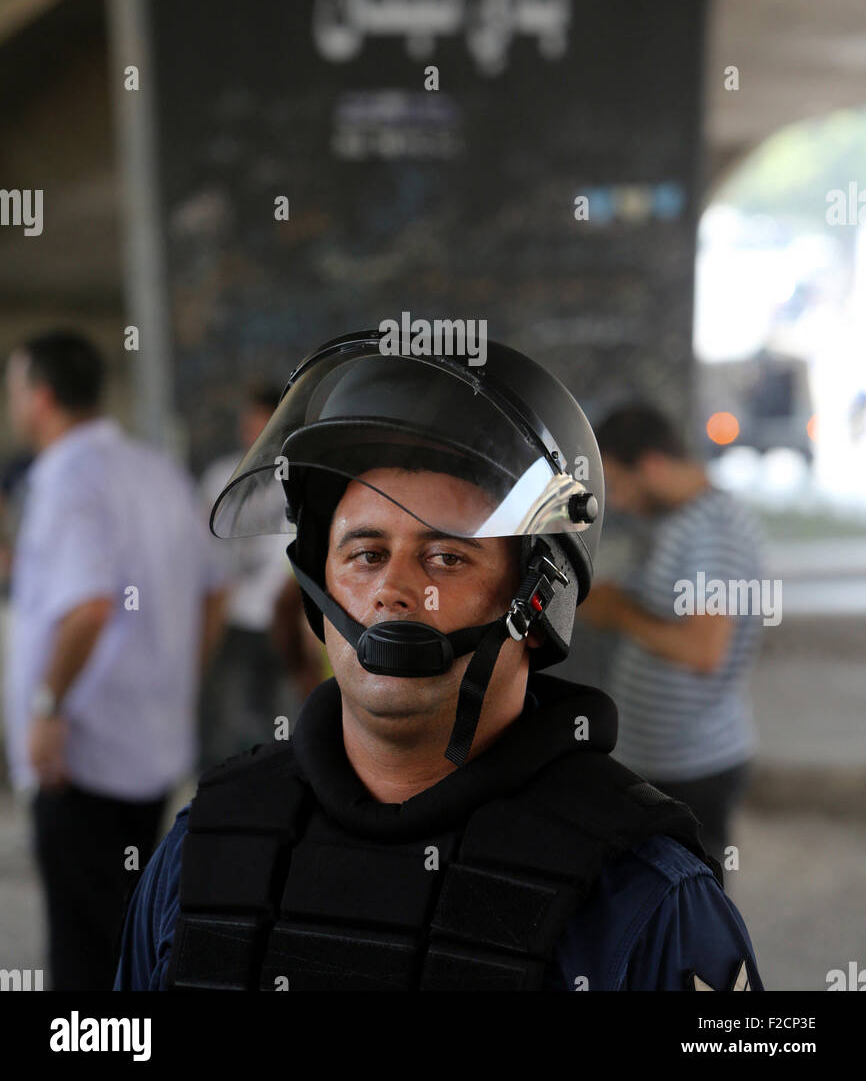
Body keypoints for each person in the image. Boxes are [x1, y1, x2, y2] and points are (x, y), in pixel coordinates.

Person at [115, 331, 762, 992]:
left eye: (446, 558)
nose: (393, 589)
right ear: (319, 585)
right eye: (365, 554)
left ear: (536, 604)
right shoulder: (204, 849)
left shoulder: (646, 897)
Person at [3, 330, 226, 990]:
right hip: (152, 745)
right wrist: (181, 673)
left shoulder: (66, 477)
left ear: (39, 398)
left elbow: (89, 606)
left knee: (82, 951)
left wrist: (46, 709)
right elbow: (214, 588)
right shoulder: (155, 468)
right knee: (133, 926)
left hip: (81, 754)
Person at [580, 403, 767, 871]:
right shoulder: (683, 522)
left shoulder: (713, 531)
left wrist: (619, 610)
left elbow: (703, 650)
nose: (617, 501)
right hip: (663, 760)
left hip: (692, 769)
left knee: (692, 912)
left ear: (653, 466)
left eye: (619, 484)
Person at [198, 386, 312, 771]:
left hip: (283, 617)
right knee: (236, 720)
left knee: (289, 719)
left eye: (261, 423)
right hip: (237, 618)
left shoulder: (298, 476)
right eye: (248, 423)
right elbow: (209, 556)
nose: (252, 431)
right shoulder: (220, 477)